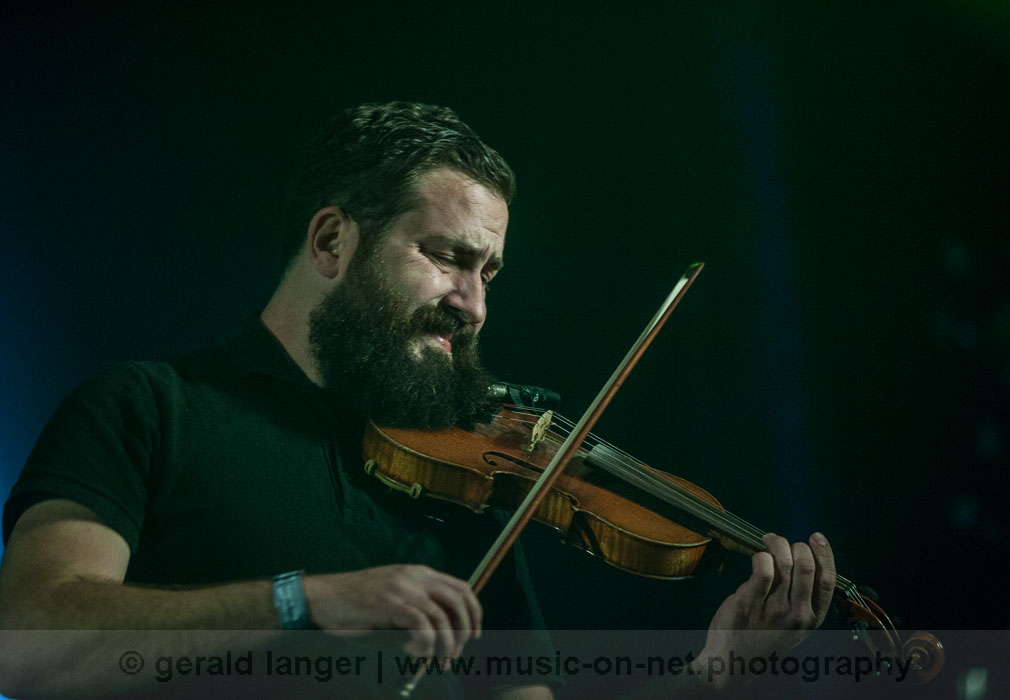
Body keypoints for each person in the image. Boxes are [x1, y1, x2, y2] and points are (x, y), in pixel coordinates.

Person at [0, 102, 836, 699]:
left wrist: (714, 680)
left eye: (489, 273)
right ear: (332, 241)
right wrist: (309, 601)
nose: (473, 304)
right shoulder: (147, 409)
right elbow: (28, 647)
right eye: (446, 257)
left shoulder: (468, 495)